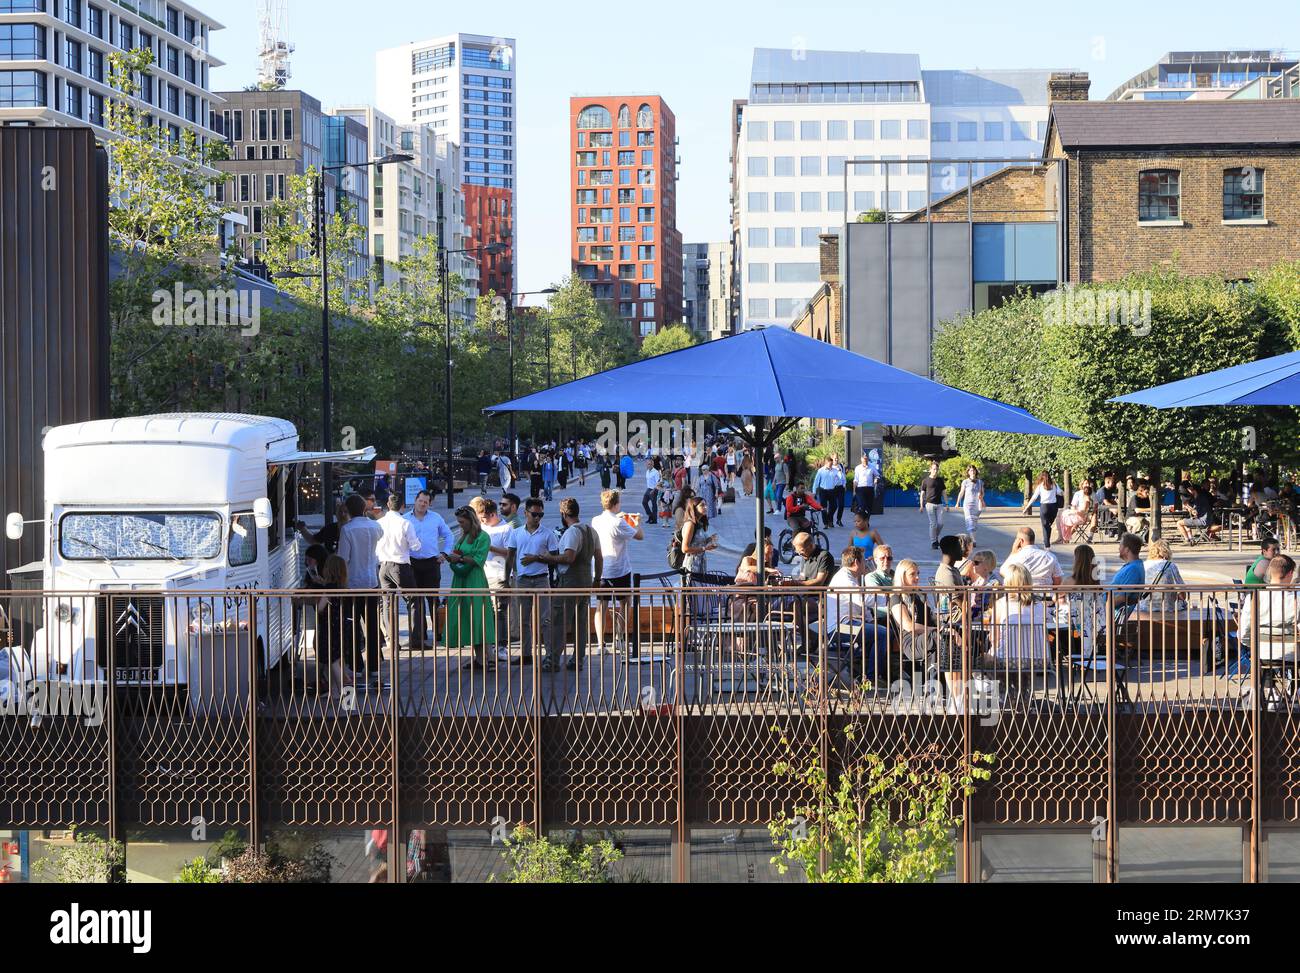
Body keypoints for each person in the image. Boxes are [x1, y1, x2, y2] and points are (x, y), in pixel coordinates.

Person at [542, 497, 603, 672]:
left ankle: (552, 660)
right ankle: (578, 659)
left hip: (569, 581)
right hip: (585, 581)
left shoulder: (571, 532)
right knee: (580, 622)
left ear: (563, 514)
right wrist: (597, 579)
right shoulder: (591, 531)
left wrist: (549, 558)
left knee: (559, 621)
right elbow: (598, 557)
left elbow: (569, 557)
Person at [824, 546, 890, 684]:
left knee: (877, 632)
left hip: (846, 624)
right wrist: (887, 598)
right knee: (883, 634)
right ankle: (872, 678)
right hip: (840, 626)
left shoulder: (850, 577)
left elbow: (861, 605)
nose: (866, 563)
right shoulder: (845, 578)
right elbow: (862, 599)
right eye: (864, 561)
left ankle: (861, 672)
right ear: (856, 562)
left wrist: (870, 620)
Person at [506, 498, 557, 666]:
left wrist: (537, 558)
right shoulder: (516, 533)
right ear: (525, 513)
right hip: (522, 581)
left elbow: (555, 559)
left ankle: (550, 655)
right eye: (534, 514)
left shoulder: (548, 534)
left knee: (545, 620)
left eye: (540, 515)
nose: (537, 518)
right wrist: (507, 579)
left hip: (541, 580)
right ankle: (526, 654)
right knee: (523, 620)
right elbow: (510, 556)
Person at [591, 490, 644, 654]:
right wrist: (636, 522)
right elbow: (640, 536)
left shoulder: (596, 520)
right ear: (616, 504)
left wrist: (620, 517)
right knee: (626, 602)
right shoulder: (619, 523)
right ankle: (619, 638)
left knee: (601, 605)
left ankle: (600, 644)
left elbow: (611, 522)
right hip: (619, 568)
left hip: (601, 569)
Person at [336, 492, 383, 676]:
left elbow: (343, 558)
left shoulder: (347, 530)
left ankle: (356, 665)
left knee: (353, 624)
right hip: (371, 580)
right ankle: (373, 667)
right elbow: (380, 535)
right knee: (372, 624)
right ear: (364, 508)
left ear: (347, 509)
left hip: (352, 583)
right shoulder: (375, 526)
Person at [446, 505, 495, 670]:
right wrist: (457, 558)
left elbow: (478, 559)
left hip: (474, 581)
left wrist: (458, 558)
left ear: (470, 520)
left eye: (462, 522)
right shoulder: (463, 536)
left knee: (478, 617)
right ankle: (480, 659)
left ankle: (488, 658)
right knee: (467, 617)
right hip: (461, 579)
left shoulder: (483, 537)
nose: (460, 525)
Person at [403, 490, 451, 648]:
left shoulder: (436, 518)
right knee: (416, 600)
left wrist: (444, 553)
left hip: (431, 562)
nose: (422, 504)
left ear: (430, 503)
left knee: (433, 598)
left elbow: (449, 535)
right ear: (415, 501)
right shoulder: (405, 519)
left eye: (426, 502)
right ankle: (420, 633)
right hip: (412, 563)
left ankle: (438, 633)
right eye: (420, 501)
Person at [376, 494, 423, 657]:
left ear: (388, 505)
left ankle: (393, 642)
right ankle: (415, 638)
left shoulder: (379, 523)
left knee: (387, 603)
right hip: (400, 565)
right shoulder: (405, 523)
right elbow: (415, 546)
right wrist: (418, 543)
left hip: (383, 566)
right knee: (413, 600)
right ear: (403, 506)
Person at [986, 564, 1053, 671]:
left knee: (982, 660)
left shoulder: (1001, 604)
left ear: (1008, 582)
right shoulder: (1040, 605)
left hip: (1008, 659)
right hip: (1040, 659)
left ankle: (1005, 686)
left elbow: (994, 638)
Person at [471, 496, 515, 660]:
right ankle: (487, 645)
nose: (482, 521)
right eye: (480, 518)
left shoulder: (506, 529)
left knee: (500, 611)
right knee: (486, 611)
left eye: (484, 518)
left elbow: (510, 552)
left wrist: (491, 547)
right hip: (482, 574)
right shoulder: (481, 528)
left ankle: (501, 646)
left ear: (492, 514)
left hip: (500, 575)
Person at [313, 554, 358, 699]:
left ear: (328, 570)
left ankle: (344, 694)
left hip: (330, 628)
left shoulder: (328, 588)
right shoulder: (343, 587)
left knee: (332, 660)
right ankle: (333, 691)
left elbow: (320, 607)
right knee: (337, 659)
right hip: (343, 626)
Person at [888, 559, 940, 673]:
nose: (917, 577)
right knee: (942, 636)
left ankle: (944, 680)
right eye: (912, 574)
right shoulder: (896, 598)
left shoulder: (918, 594)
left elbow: (931, 617)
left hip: (925, 635)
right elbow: (908, 626)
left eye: (918, 573)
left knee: (953, 632)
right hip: (911, 642)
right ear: (902, 576)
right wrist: (936, 629)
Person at [1141, 538, 1187, 613]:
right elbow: (1182, 594)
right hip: (1167, 607)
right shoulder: (1170, 565)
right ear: (1167, 551)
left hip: (1145, 606)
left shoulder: (1143, 565)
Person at [678, 495, 718, 577]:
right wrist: (705, 548)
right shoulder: (690, 524)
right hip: (692, 565)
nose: (706, 507)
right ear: (694, 508)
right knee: (694, 588)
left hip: (700, 563)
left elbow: (696, 542)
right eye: (702, 505)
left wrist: (709, 539)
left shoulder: (699, 523)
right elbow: (685, 549)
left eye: (705, 505)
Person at [1108, 533, 1147, 608]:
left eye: (1120, 546)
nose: (1118, 548)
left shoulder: (1133, 569)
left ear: (1127, 549)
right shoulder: (1133, 566)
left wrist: (1102, 607)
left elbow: (1122, 597)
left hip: (1111, 612)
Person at [1029, 472, 1064, 549]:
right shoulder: (1054, 484)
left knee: (1045, 526)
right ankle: (1046, 541)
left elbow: (1034, 497)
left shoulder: (1040, 486)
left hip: (1044, 507)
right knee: (1048, 525)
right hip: (1054, 507)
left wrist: (1027, 507)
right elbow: (1060, 493)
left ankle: (1047, 545)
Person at [955, 465, 986, 544]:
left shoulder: (980, 482)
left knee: (974, 522)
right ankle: (973, 540)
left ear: (976, 471)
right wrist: (957, 502)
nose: (972, 472)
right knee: (970, 521)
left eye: (973, 470)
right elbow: (962, 492)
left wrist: (981, 497)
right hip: (968, 505)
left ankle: (973, 539)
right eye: (970, 470)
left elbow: (983, 493)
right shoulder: (965, 482)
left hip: (977, 504)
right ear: (968, 472)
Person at [920, 460, 946, 551]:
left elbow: (944, 492)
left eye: (937, 469)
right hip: (929, 504)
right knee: (933, 524)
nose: (935, 471)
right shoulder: (925, 481)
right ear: (930, 469)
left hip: (939, 505)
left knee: (940, 523)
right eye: (934, 469)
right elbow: (922, 494)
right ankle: (933, 542)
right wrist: (921, 505)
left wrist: (946, 504)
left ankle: (935, 537)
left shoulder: (940, 480)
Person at [813, 457, 837, 530]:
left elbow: (839, 478)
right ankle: (826, 523)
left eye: (832, 464)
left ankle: (829, 518)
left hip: (832, 490)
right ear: (826, 463)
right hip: (823, 490)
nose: (831, 466)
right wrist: (814, 491)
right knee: (823, 508)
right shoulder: (821, 471)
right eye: (830, 464)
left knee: (834, 506)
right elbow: (816, 481)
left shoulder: (835, 470)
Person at [643, 458, 663, 525]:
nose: (648, 465)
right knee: (644, 502)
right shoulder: (647, 471)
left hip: (654, 490)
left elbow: (658, 482)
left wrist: (654, 490)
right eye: (647, 464)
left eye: (650, 464)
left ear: (652, 464)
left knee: (654, 505)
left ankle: (654, 520)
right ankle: (650, 516)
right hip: (648, 489)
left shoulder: (656, 472)